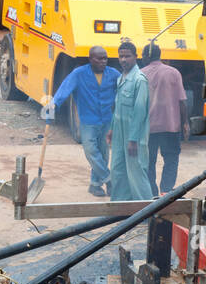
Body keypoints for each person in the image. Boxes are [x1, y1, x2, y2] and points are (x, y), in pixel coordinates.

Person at [46, 45, 119, 197]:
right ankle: (109, 179)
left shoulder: (113, 74)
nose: (103, 61)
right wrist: (54, 105)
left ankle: (95, 185)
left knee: (104, 154)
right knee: (91, 152)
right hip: (88, 121)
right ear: (90, 59)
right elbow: (64, 89)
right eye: (99, 58)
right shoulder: (79, 73)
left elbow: (125, 89)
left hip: (107, 120)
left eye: (105, 58)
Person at [140, 43, 188, 196]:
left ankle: (152, 192)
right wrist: (185, 122)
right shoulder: (173, 73)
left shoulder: (140, 74)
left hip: (148, 127)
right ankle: (166, 191)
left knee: (149, 162)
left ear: (146, 56)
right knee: (171, 158)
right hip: (170, 125)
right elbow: (182, 100)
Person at [108, 40, 153, 203]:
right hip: (119, 133)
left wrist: (133, 139)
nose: (123, 60)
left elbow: (140, 112)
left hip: (135, 135)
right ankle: (120, 207)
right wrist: (112, 129)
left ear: (135, 57)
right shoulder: (121, 78)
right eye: (121, 56)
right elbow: (117, 107)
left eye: (127, 56)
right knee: (117, 169)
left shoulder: (139, 80)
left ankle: (147, 212)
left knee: (136, 172)